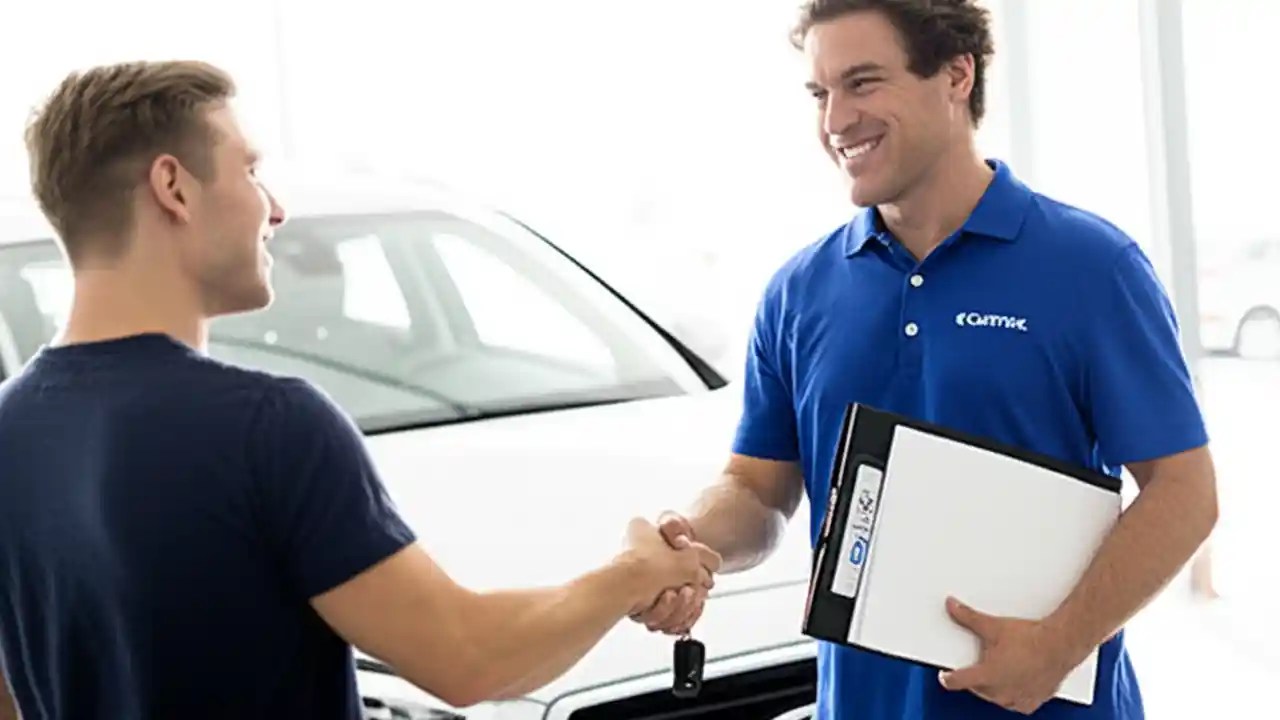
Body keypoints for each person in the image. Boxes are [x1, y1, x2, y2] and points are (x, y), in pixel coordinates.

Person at [0, 60, 721, 719]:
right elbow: (466, 659)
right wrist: (633, 575)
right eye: (249, 171)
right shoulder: (268, 425)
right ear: (173, 187)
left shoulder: (11, 430)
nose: (274, 209)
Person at [630, 1, 1219, 718]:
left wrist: (1059, 644)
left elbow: (1184, 492)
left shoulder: (1092, 269)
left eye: (864, 82)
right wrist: (690, 542)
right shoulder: (798, 293)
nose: (836, 120)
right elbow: (757, 490)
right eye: (821, 93)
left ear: (956, 75)